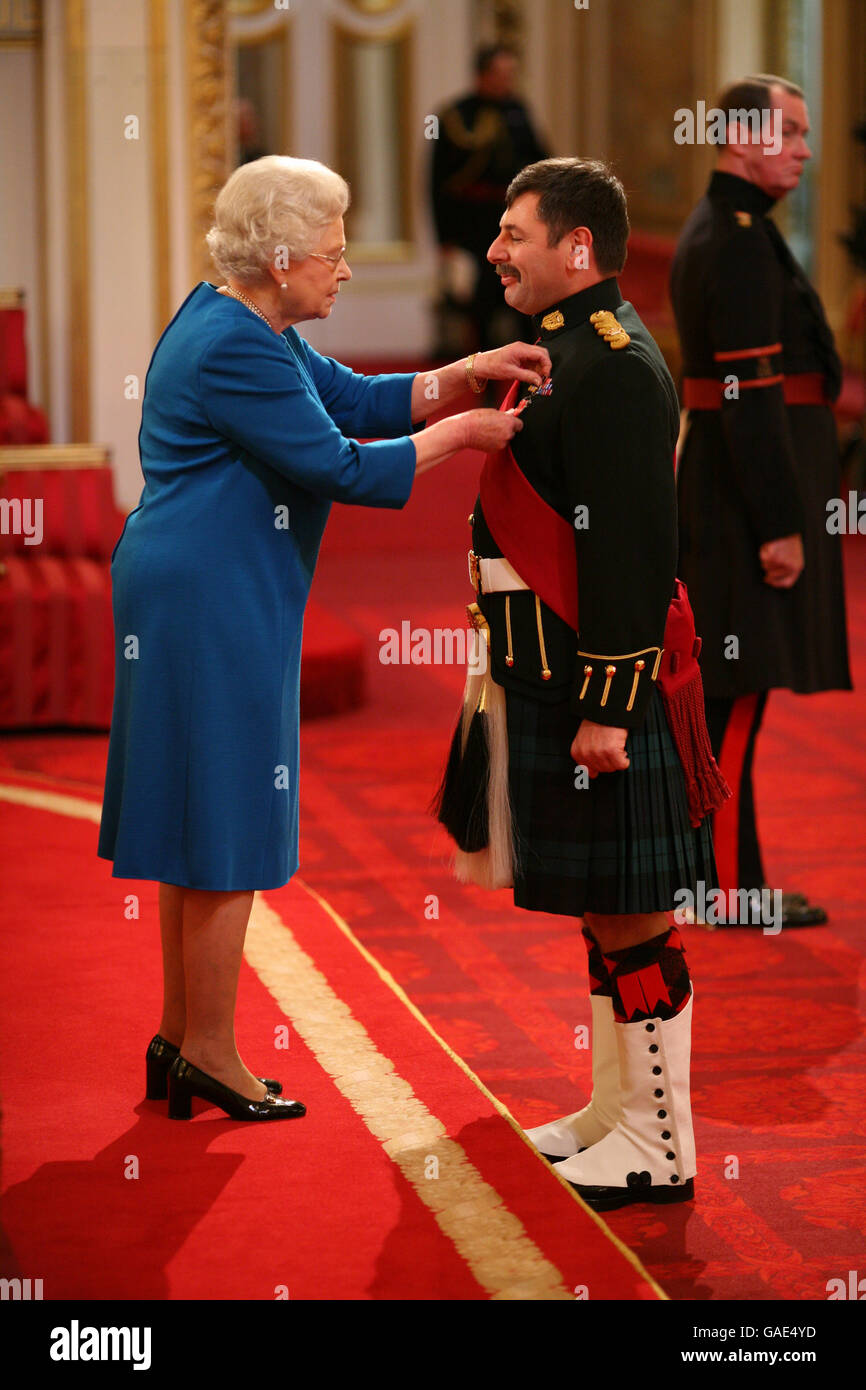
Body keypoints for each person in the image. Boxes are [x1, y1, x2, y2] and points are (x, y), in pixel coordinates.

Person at [97, 155, 550, 1123]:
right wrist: (464, 433)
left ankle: (183, 1038)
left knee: (197, 816)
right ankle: (211, 1050)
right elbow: (340, 462)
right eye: (333, 255)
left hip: (201, 585)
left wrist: (461, 373)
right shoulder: (236, 343)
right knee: (226, 824)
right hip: (210, 596)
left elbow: (352, 397)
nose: (344, 271)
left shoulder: (241, 321)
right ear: (278, 258)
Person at [434, 158, 728, 1210]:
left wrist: (608, 707)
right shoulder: (557, 351)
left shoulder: (609, 364)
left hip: (592, 684)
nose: (494, 250)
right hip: (548, 668)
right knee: (604, 909)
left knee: (633, 916)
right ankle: (613, 1112)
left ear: (577, 248)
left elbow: (633, 554)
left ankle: (659, 1140)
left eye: (514, 234)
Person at [670, 76, 852, 928]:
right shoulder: (736, 238)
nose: (808, 151)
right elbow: (745, 393)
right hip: (745, 507)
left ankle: (728, 878)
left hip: (737, 493)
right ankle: (723, 890)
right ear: (743, 138)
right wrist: (781, 525)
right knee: (733, 696)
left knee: (735, 696)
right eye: (794, 133)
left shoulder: (739, 228)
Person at [430, 44, 548, 354]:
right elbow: (436, 184)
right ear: (482, 75)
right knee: (481, 308)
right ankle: (483, 379)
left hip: (515, 223)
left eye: (511, 74)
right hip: (473, 226)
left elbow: (541, 161)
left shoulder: (518, 110)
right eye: (501, 74)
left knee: (523, 303)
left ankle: (526, 384)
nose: (507, 81)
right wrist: (445, 240)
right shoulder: (455, 116)